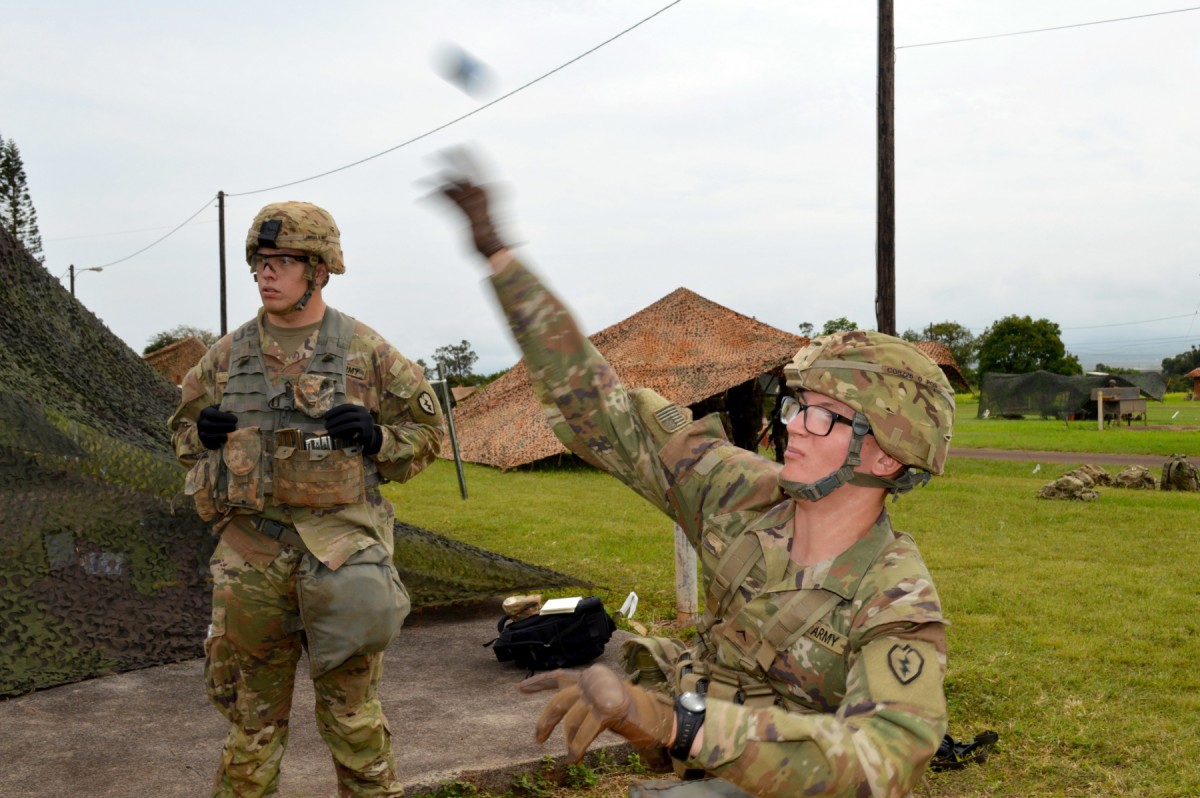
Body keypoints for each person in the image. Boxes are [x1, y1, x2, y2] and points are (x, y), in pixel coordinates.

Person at [434, 172, 954, 797]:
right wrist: (502, 257)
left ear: (885, 458)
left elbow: (885, 761)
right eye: (796, 408)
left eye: (823, 416)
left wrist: (675, 722)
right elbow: (599, 410)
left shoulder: (896, 597)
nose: (795, 429)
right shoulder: (740, 492)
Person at [169, 201, 444, 797]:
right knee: (252, 725)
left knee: (353, 721)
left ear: (319, 270)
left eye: (283, 262)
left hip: (340, 559)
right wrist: (202, 436)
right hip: (253, 560)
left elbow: (427, 436)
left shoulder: (366, 351)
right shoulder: (225, 357)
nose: (267, 274)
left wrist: (376, 439)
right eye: (261, 262)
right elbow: (182, 436)